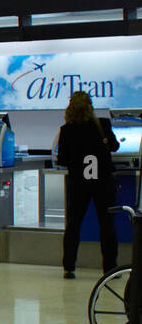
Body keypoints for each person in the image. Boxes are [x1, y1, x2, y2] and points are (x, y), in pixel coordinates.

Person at [56, 91, 119, 279]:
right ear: (90, 106)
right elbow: (114, 146)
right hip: (103, 182)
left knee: (74, 224)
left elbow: (63, 159)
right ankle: (110, 268)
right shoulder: (103, 125)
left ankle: (69, 267)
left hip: (79, 184)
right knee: (107, 225)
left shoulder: (66, 129)